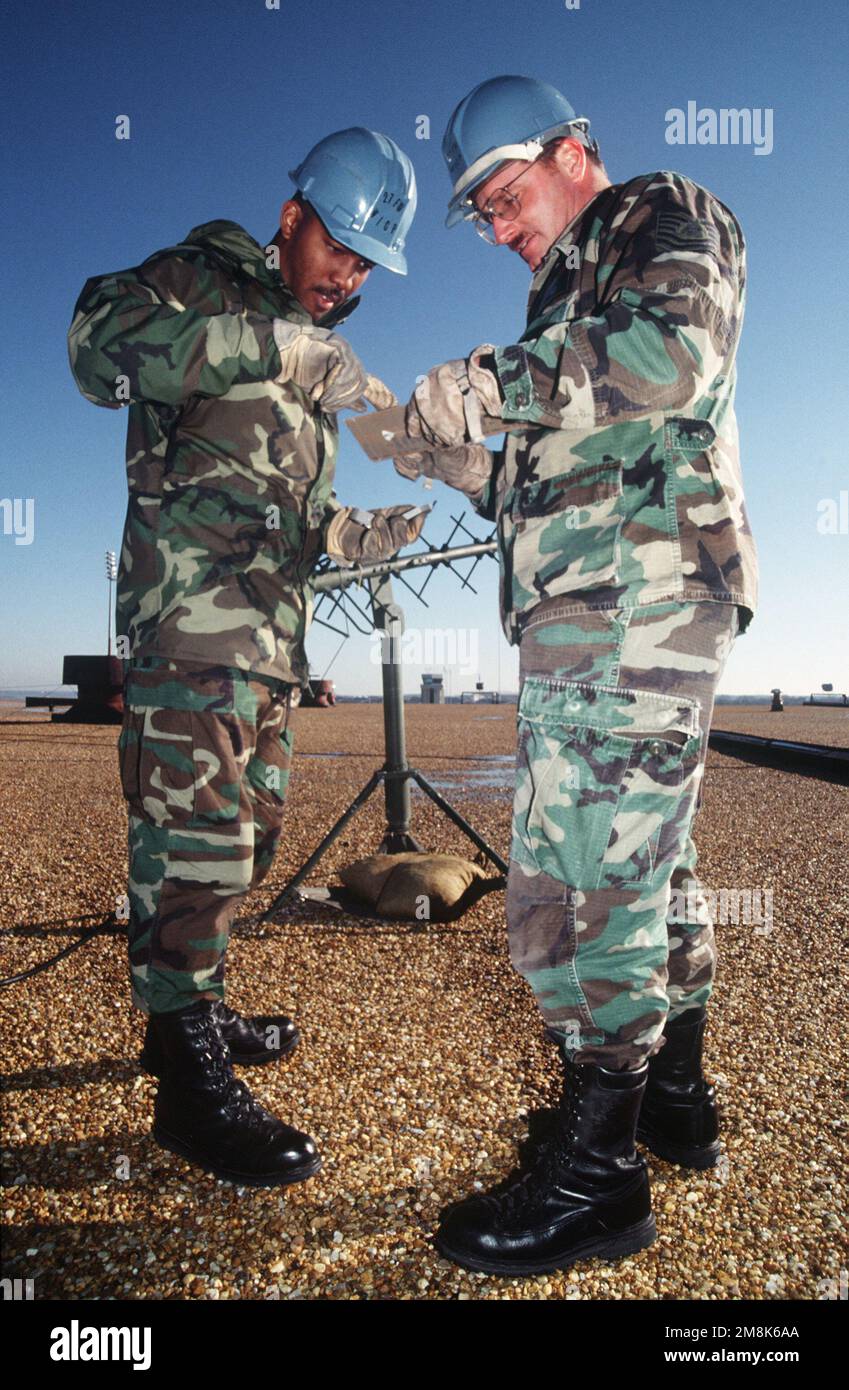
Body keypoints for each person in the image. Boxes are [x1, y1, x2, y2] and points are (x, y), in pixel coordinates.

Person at [386, 76, 759, 1274]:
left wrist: (494, 378)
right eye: (482, 216)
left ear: (571, 152)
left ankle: (599, 1178)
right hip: (611, 602)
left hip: (632, 605)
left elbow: (675, 354)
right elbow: (548, 479)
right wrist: (458, 463)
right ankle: (670, 1104)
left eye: (504, 195)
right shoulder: (564, 306)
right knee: (651, 867)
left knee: (573, 884)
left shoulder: (659, 209)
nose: (499, 228)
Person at [67, 128, 422, 1188]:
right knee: (201, 846)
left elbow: (303, 522)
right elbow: (95, 348)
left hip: (270, 647)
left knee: (246, 845)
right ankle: (186, 1080)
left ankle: (194, 1010)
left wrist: (365, 535)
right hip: (192, 631)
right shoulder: (200, 277)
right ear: (291, 218)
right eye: (339, 247)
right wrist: (271, 350)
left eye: (366, 264)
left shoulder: (315, 379)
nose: (347, 276)